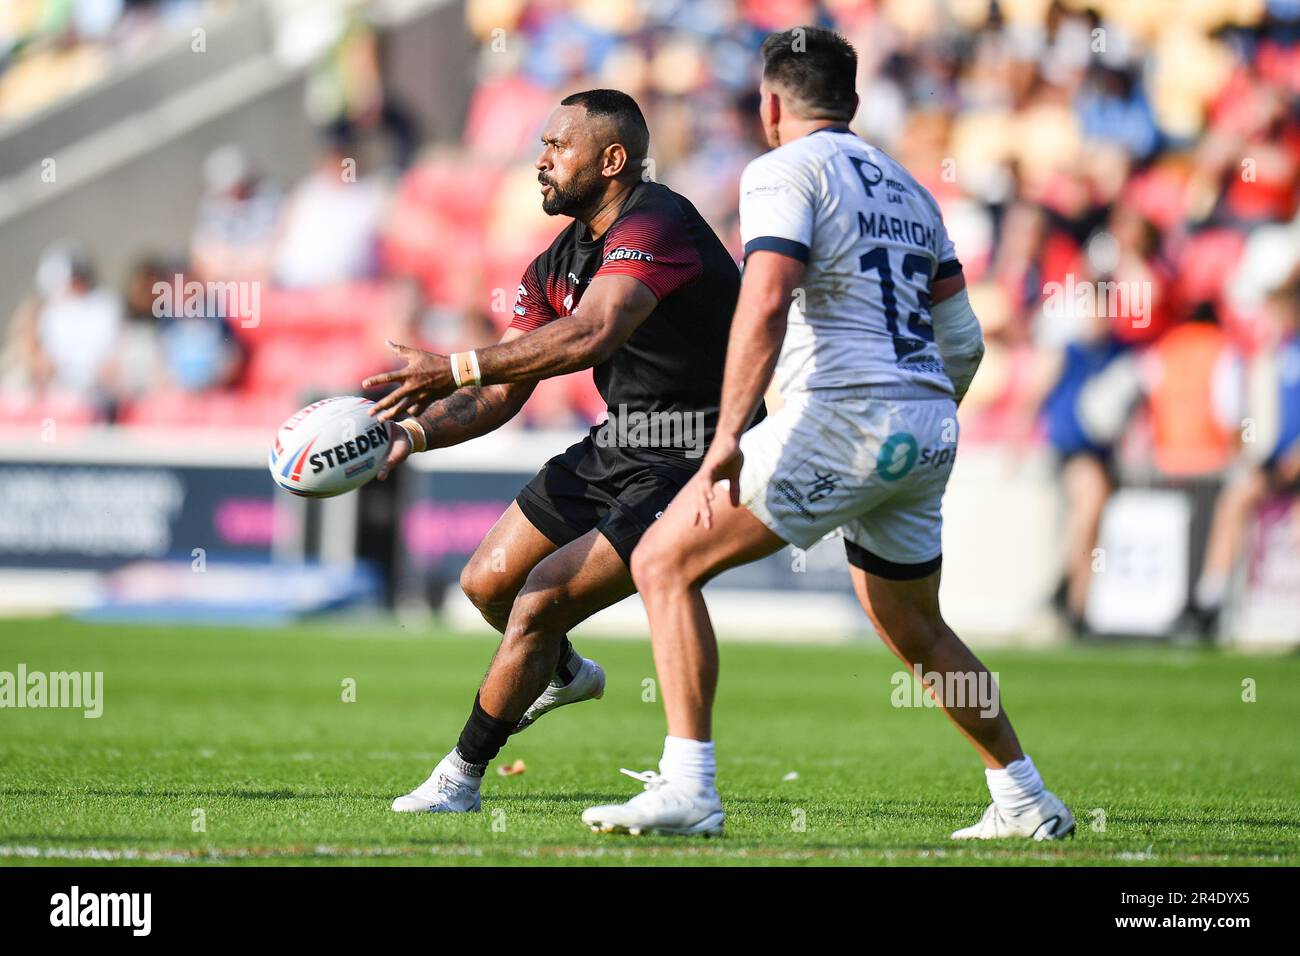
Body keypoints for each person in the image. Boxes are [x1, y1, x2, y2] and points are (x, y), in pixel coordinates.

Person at [582, 28, 1074, 840]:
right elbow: (963, 339)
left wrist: (728, 434)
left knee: (663, 561)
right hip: (926, 419)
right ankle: (1024, 796)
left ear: (771, 105)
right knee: (915, 625)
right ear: (852, 101)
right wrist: (921, 418)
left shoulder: (781, 170)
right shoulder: (913, 191)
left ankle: (690, 787)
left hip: (844, 412)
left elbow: (767, 298)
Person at [360, 90, 755, 813]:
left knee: (540, 600)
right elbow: (502, 392)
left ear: (612, 160)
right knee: (487, 584)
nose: (540, 161)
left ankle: (458, 779)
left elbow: (594, 332)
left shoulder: (658, 222)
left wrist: (455, 365)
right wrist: (409, 435)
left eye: (556, 146)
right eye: (541, 146)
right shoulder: (556, 261)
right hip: (621, 441)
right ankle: (565, 673)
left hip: (695, 452)